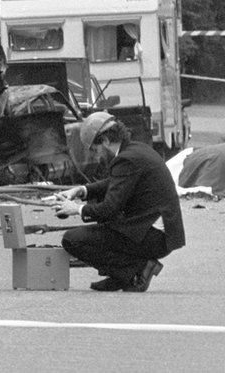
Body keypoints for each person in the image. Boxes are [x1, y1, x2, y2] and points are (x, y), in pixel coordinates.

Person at [52, 112, 185, 292]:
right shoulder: (136, 150)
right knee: (100, 227)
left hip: (152, 236)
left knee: (72, 240)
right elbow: (114, 183)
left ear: (105, 140)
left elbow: (109, 208)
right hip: (158, 233)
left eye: (95, 148)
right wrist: (82, 190)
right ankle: (123, 277)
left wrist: (76, 209)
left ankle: (137, 268)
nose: (96, 155)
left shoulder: (126, 159)